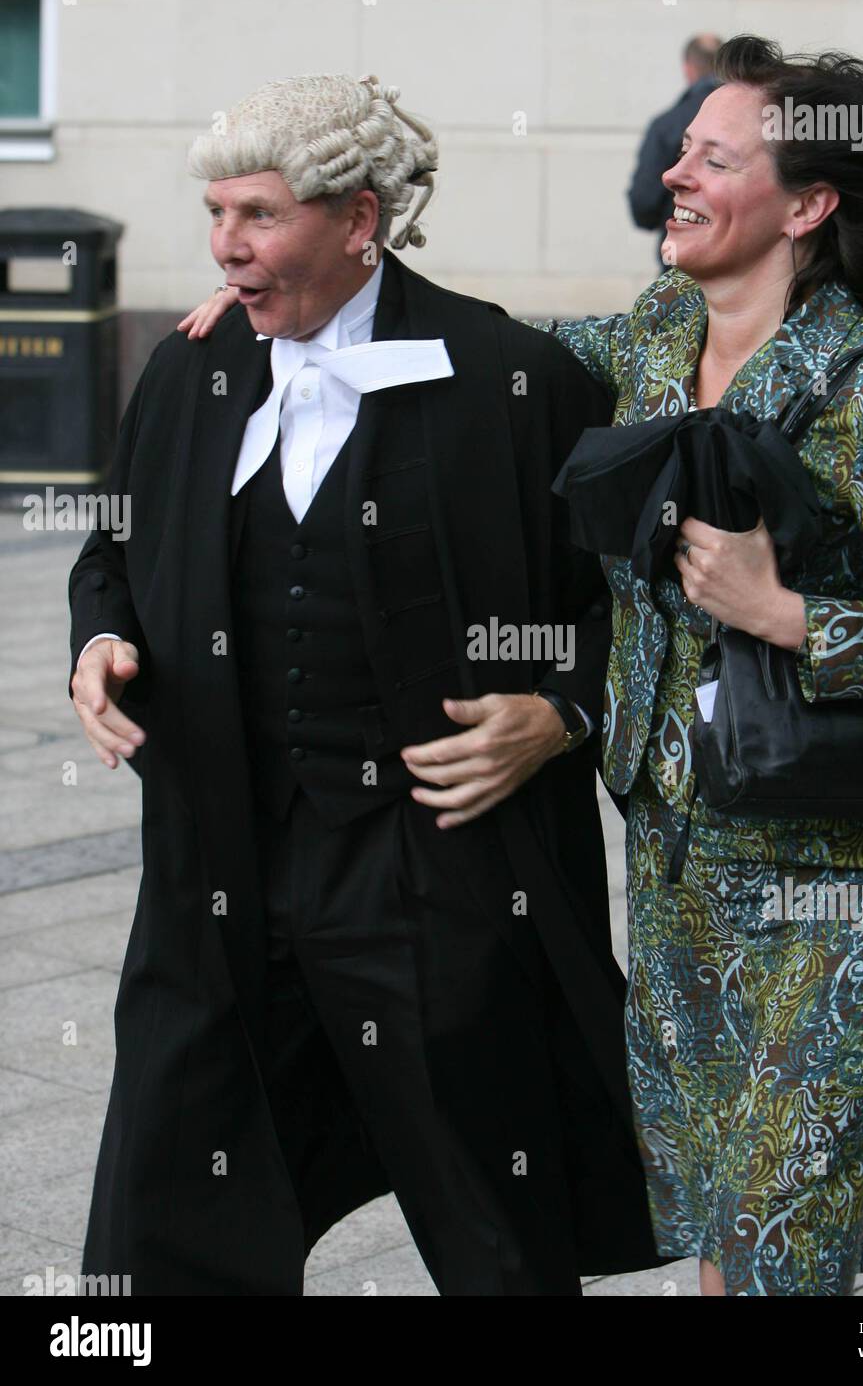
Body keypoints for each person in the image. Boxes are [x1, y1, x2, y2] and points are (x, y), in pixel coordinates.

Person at [181, 37, 863, 1296]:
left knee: (773, 1216)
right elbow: (488, 351)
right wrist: (295, 300)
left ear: (806, 204)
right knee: (722, 1205)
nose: (673, 174)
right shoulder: (651, 337)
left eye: (713, 157)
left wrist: (779, 608)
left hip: (841, 877)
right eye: (681, 146)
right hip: (685, 862)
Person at [68, 73, 666, 1296]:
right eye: (216, 213)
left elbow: (631, 602)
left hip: (427, 870)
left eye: (259, 214)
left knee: (489, 1206)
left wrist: (559, 713)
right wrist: (98, 640)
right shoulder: (192, 371)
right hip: (221, 865)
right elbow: (110, 547)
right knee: (167, 1201)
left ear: (358, 220)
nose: (227, 245)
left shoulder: (509, 376)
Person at [627, 33, 721, 263]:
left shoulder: (667, 124)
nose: (672, 177)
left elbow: (644, 203)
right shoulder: (752, 122)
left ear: (688, 68)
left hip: (679, 262)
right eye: (683, 152)